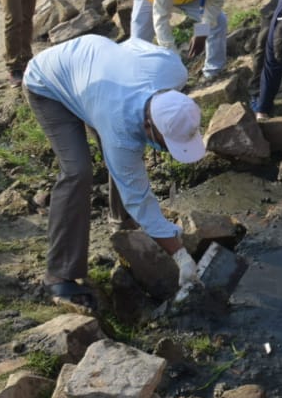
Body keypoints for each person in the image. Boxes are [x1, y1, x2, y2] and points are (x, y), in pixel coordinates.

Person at [23, 35, 206, 310]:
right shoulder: (120, 129)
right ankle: (58, 273)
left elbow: (134, 43)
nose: (170, 151)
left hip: (96, 74)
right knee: (78, 171)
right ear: (148, 125)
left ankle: (122, 224)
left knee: (122, 159)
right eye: (168, 144)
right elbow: (139, 198)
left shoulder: (173, 70)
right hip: (48, 83)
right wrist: (180, 256)